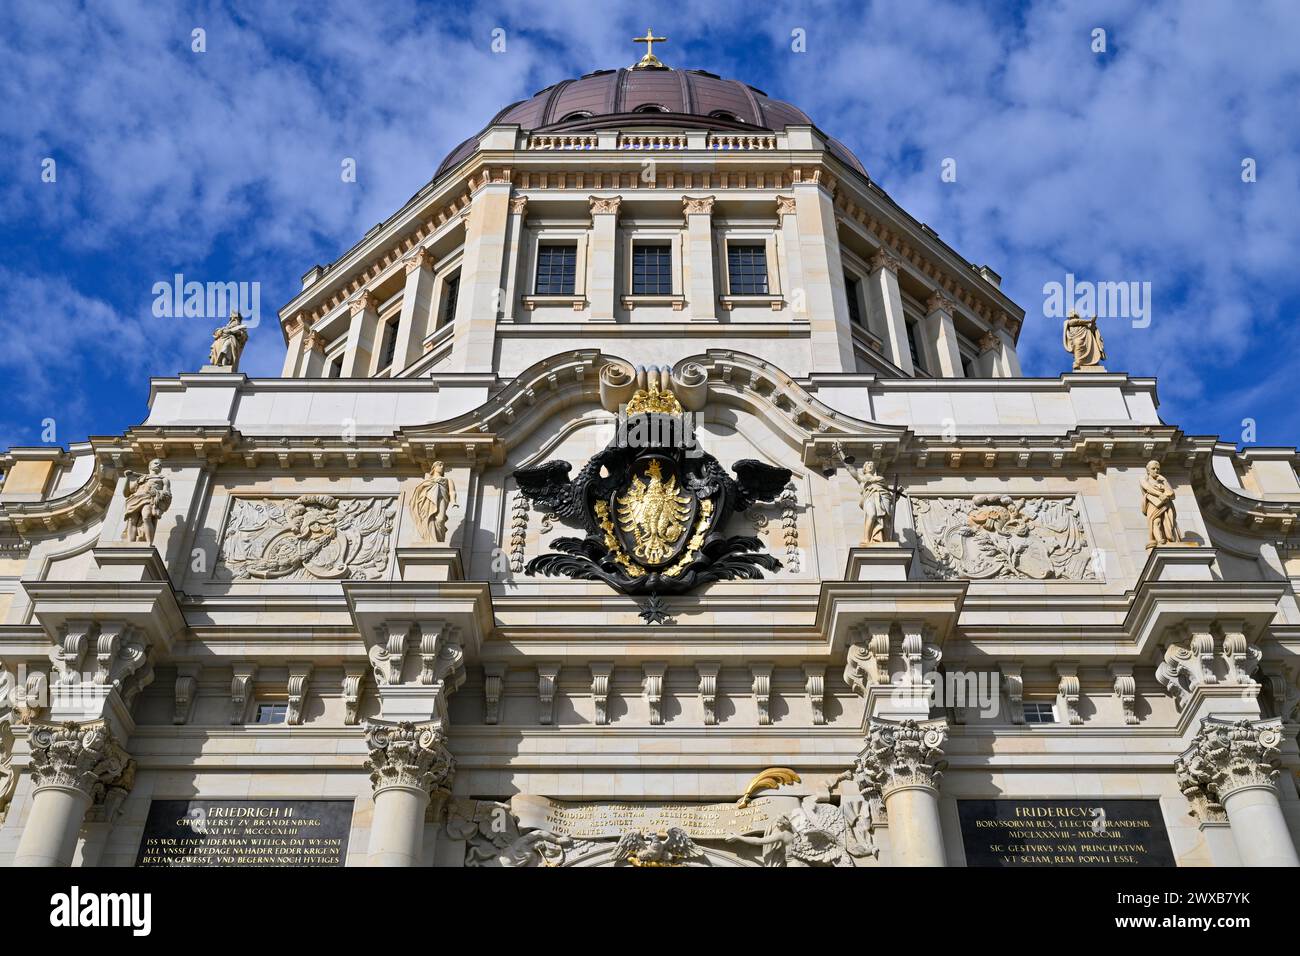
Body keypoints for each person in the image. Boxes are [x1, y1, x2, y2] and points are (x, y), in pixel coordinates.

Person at [122, 459, 172, 543]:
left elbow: (167, 494)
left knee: (146, 517)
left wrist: (157, 492)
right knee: (132, 520)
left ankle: (148, 543)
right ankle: (130, 544)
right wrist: (128, 478)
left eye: (160, 465)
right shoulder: (142, 478)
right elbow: (126, 493)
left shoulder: (163, 479)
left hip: (149, 499)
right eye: (156, 463)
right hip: (135, 499)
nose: (158, 465)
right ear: (150, 466)